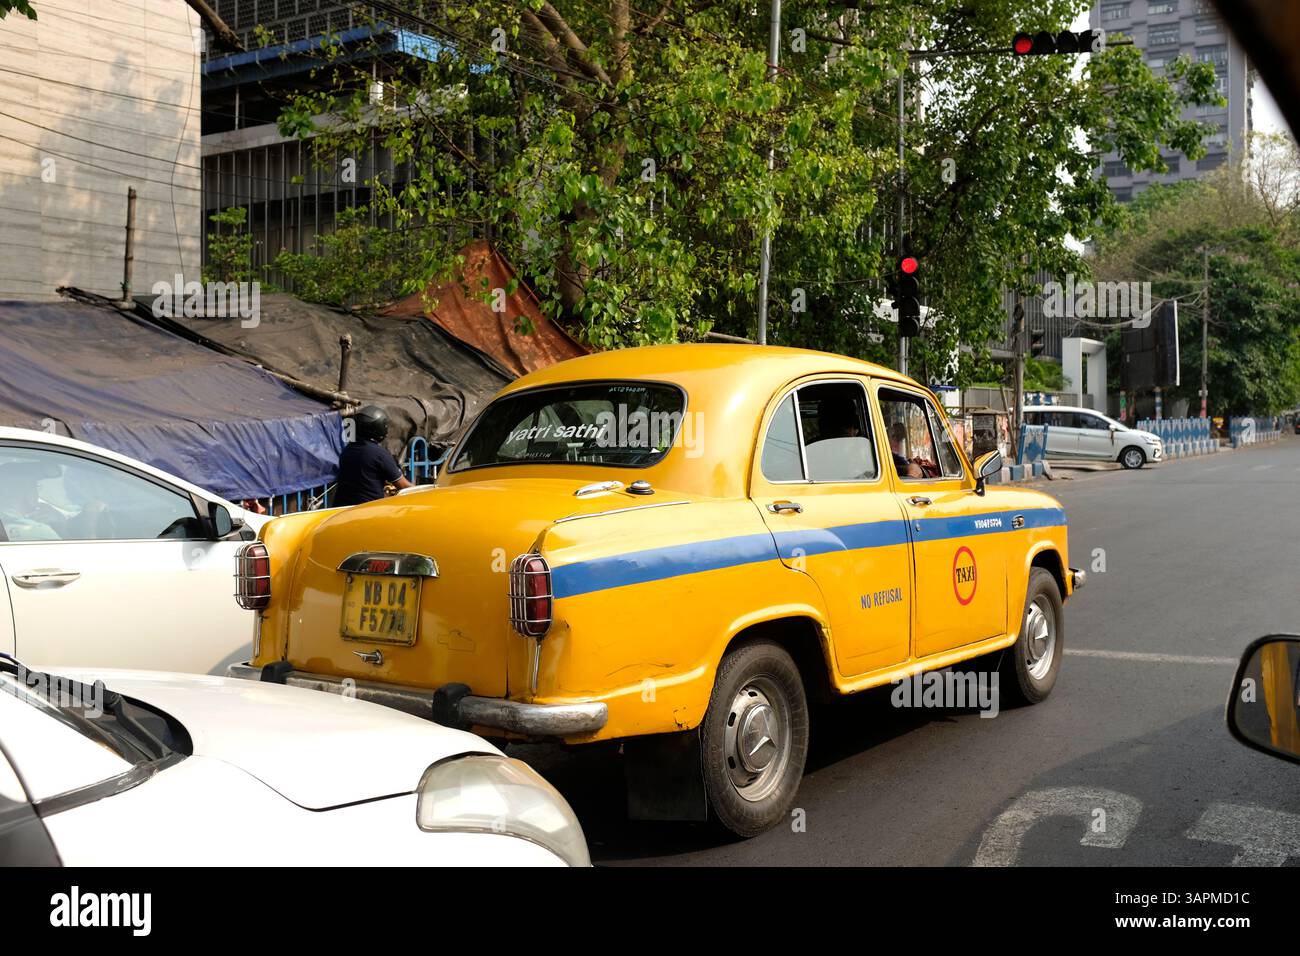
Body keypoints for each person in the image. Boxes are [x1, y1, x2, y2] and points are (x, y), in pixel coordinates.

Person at [334, 405, 411, 507]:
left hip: (343, 510)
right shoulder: (379, 454)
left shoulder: (348, 451)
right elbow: (405, 486)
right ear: (378, 428)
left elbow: (363, 487)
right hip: (368, 511)